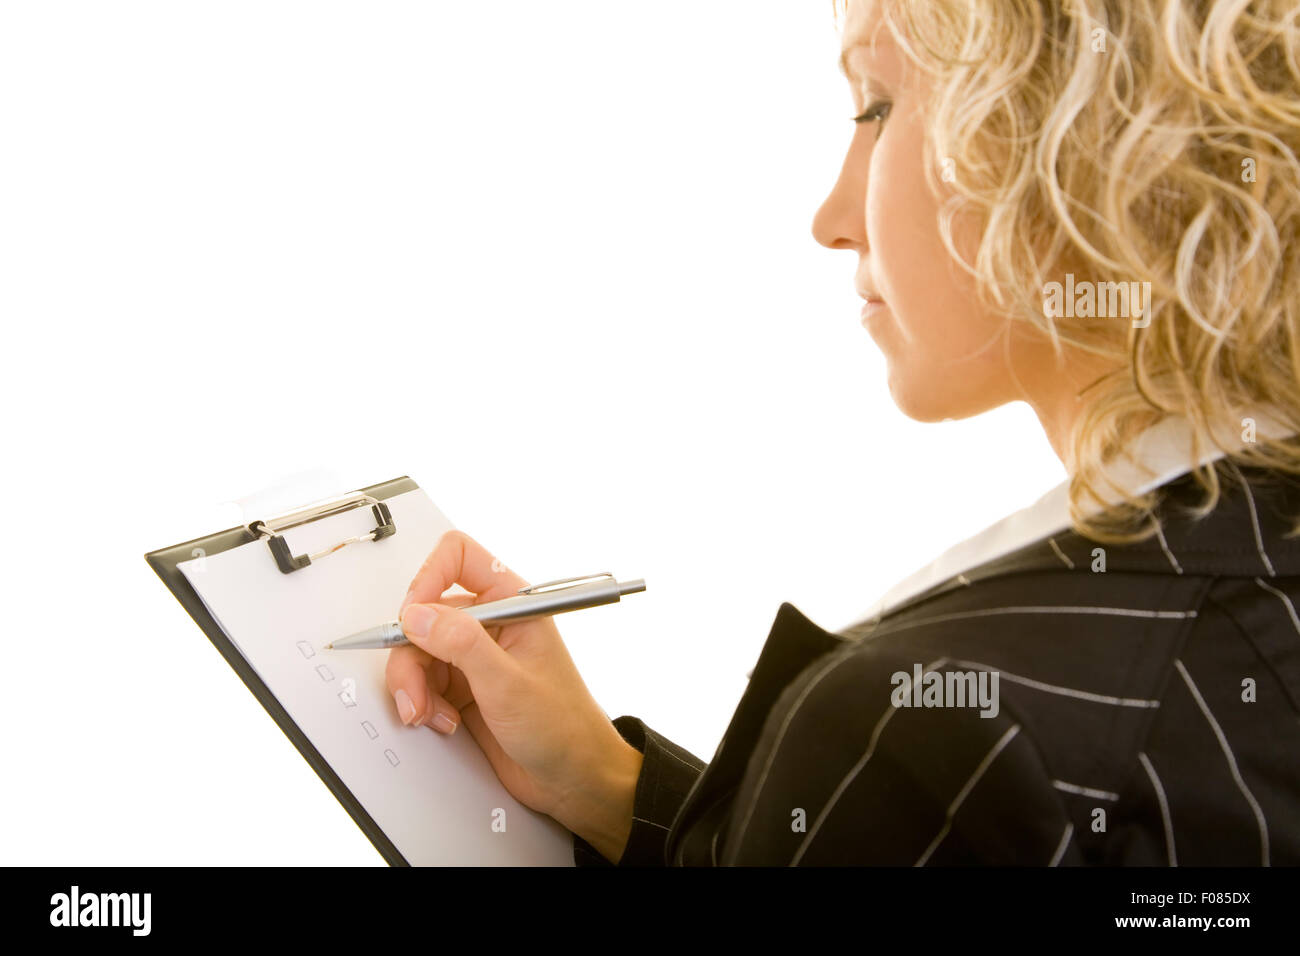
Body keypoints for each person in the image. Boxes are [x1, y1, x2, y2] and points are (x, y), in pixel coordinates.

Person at [385, 0, 1300, 865]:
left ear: (1080, 147)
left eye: (879, 106)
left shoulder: (921, 729)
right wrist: (613, 791)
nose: (830, 220)